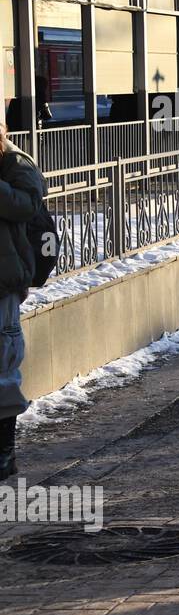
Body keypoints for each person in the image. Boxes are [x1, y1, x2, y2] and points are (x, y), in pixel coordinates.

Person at [0, 123, 46, 480]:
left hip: (3, 281)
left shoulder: (16, 162)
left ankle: (3, 455)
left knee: (3, 366)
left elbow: (28, 206)